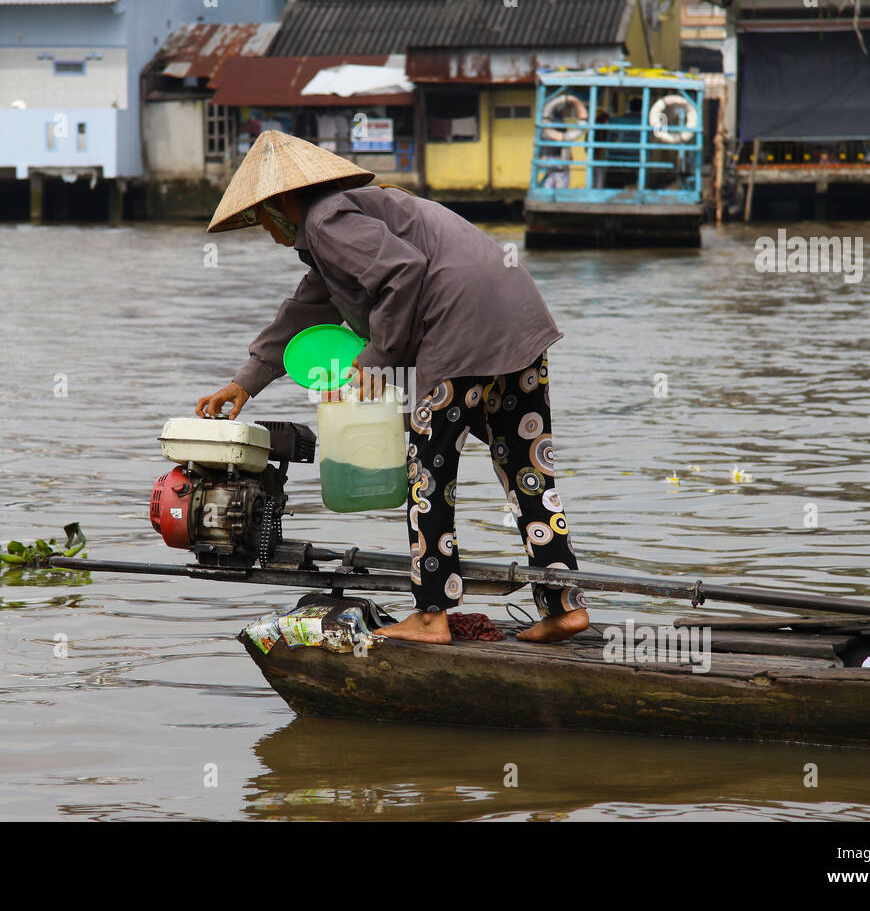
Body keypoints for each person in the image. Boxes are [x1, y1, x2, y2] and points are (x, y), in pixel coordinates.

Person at [195, 130, 588, 645]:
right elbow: (306, 308)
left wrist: (376, 359)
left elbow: (403, 273)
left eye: (263, 219)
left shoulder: (325, 219)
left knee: (428, 476)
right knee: (526, 470)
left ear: (282, 201)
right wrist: (244, 383)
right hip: (516, 324)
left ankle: (430, 614)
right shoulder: (347, 221)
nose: (268, 233)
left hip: (459, 334)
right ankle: (564, 603)